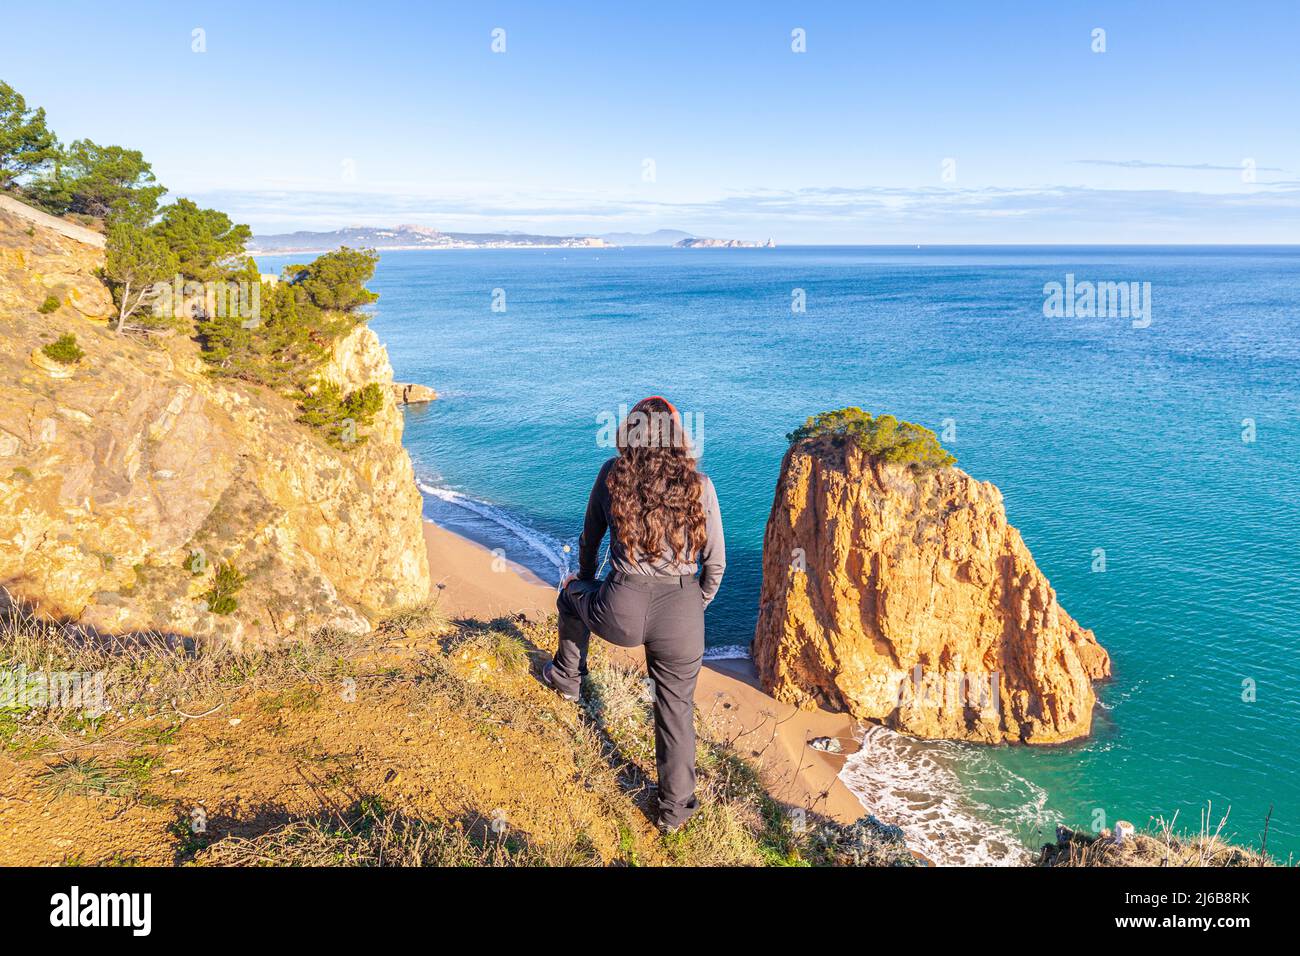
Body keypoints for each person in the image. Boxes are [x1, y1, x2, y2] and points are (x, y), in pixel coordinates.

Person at [544, 396, 725, 832]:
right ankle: (673, 813)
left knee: (570, 596)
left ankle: (567, 680)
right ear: (677, 437)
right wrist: (692, 603)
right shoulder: (700, 485)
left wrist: (581, 582)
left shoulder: (612, 475)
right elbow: (715, 564)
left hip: (619, 608)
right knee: (675, 710)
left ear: (631, 432)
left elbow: (589, 539)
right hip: (681, 615)